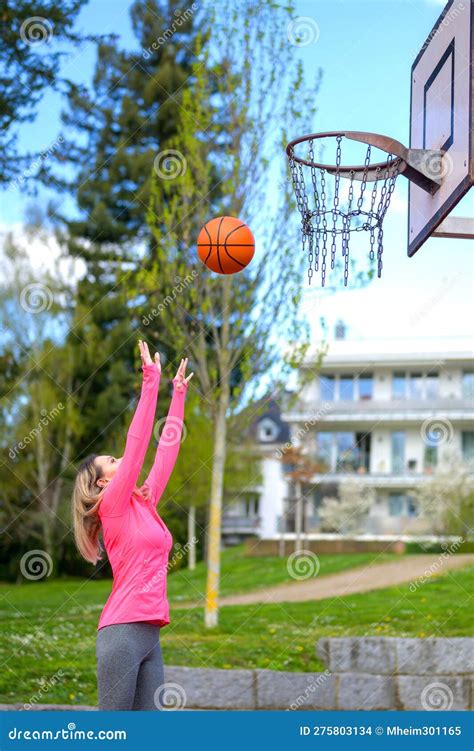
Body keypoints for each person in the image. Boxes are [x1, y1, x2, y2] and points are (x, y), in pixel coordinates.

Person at [71, 340, 193, 710]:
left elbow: (165, 453)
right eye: (111, 460)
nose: (121, 458)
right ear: (103, 482)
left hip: (150, 635)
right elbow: (138, 443)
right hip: (122, 633)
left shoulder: (144, 502)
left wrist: (179, 394)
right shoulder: (112, 506)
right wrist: (150, 381)